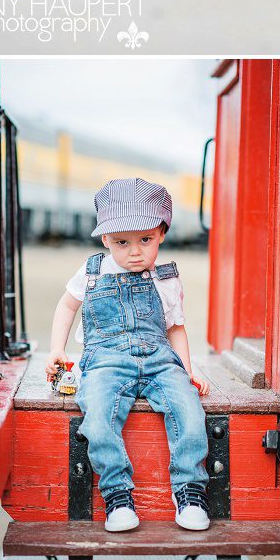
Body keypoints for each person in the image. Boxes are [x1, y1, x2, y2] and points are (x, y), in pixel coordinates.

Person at [46, 177, 211, 533]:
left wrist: (187, 369)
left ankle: (190, 493)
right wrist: (57, 350)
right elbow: (66, 306)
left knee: (190, 413)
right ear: (105, 238)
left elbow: (175, 328)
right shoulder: (92, 272)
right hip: (106, 360)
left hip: (159, 359)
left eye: (145, 240)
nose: (135, 251)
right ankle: (118, 496)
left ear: (162, 233)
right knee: (98, 416)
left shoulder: (165, 279)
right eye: (122, 242)